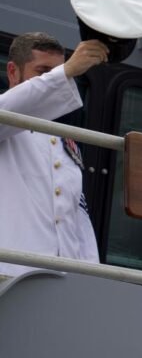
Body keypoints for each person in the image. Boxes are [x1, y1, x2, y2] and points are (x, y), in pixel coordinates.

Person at [0, 32, 108, 276]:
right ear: (13, 72)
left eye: (56, 72)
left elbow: (76, 218)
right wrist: (66, 71)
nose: (55, 80)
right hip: (10, 271)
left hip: (61, 281)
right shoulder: (4, 119)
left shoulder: (62, 140)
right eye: (42, 72)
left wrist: (92, 277)